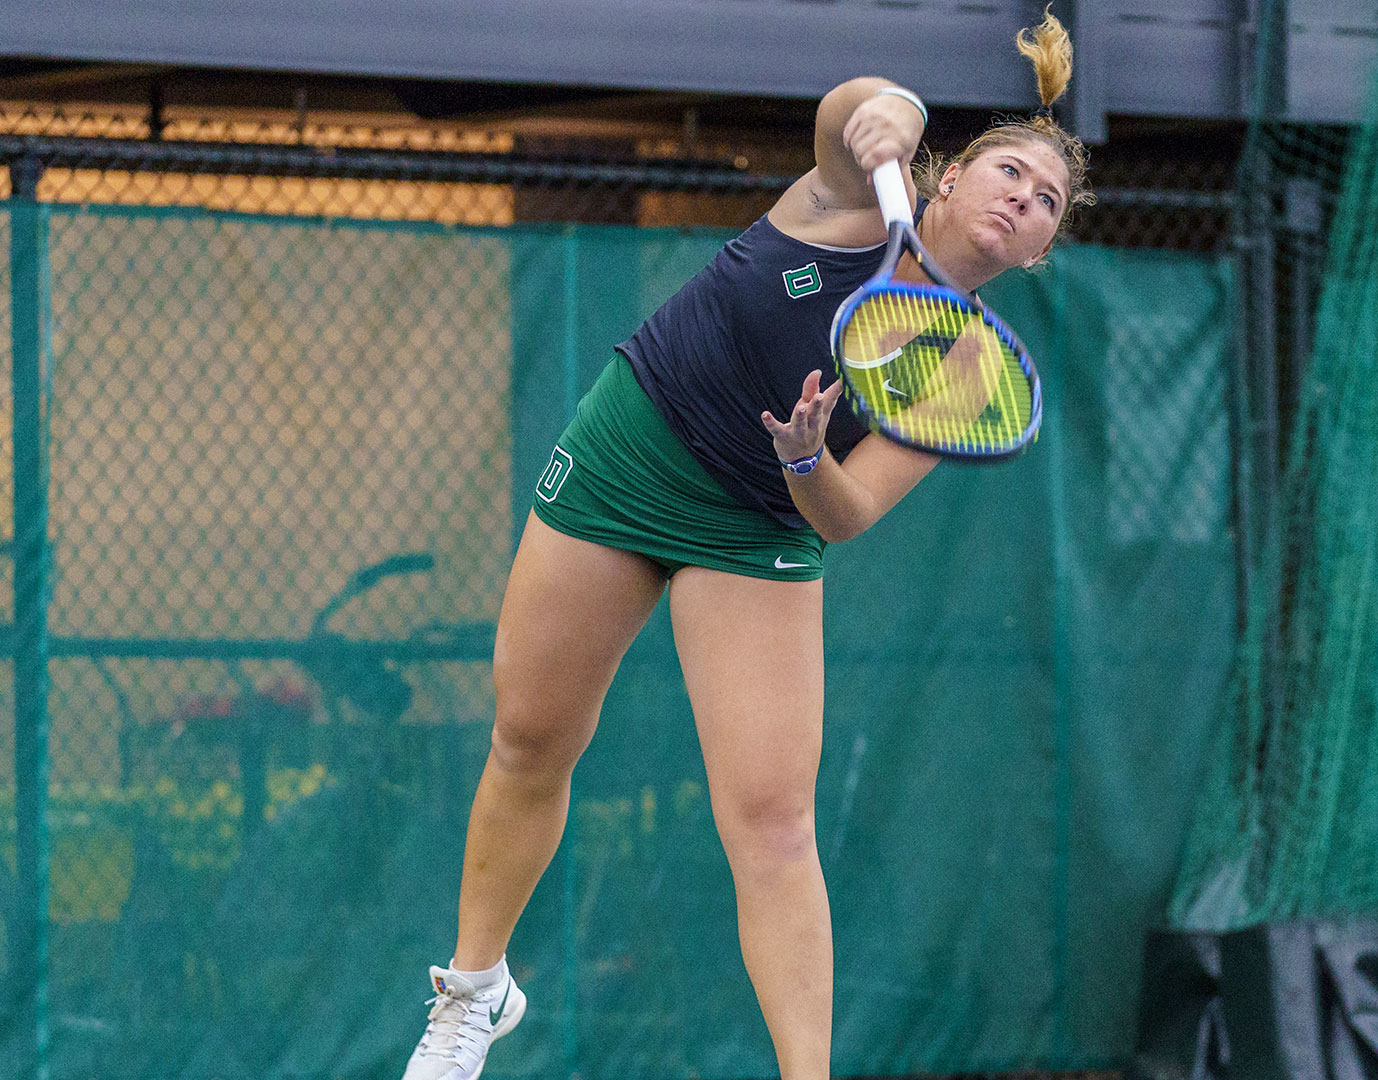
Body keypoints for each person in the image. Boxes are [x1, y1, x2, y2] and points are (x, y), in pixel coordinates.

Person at [401, 13, 1094, 1080]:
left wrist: (809, 458)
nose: (1022, 197)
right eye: (1009, 170)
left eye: (1046, 201)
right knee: (533, 738)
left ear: (1043, 248)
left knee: (772, 820)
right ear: (946, 177)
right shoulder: (855, 198)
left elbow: (847, 515)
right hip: (635, 451)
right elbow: (856, 109)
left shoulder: (964, 368)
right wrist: (884, 117)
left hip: (760, 524)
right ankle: (473, 994)